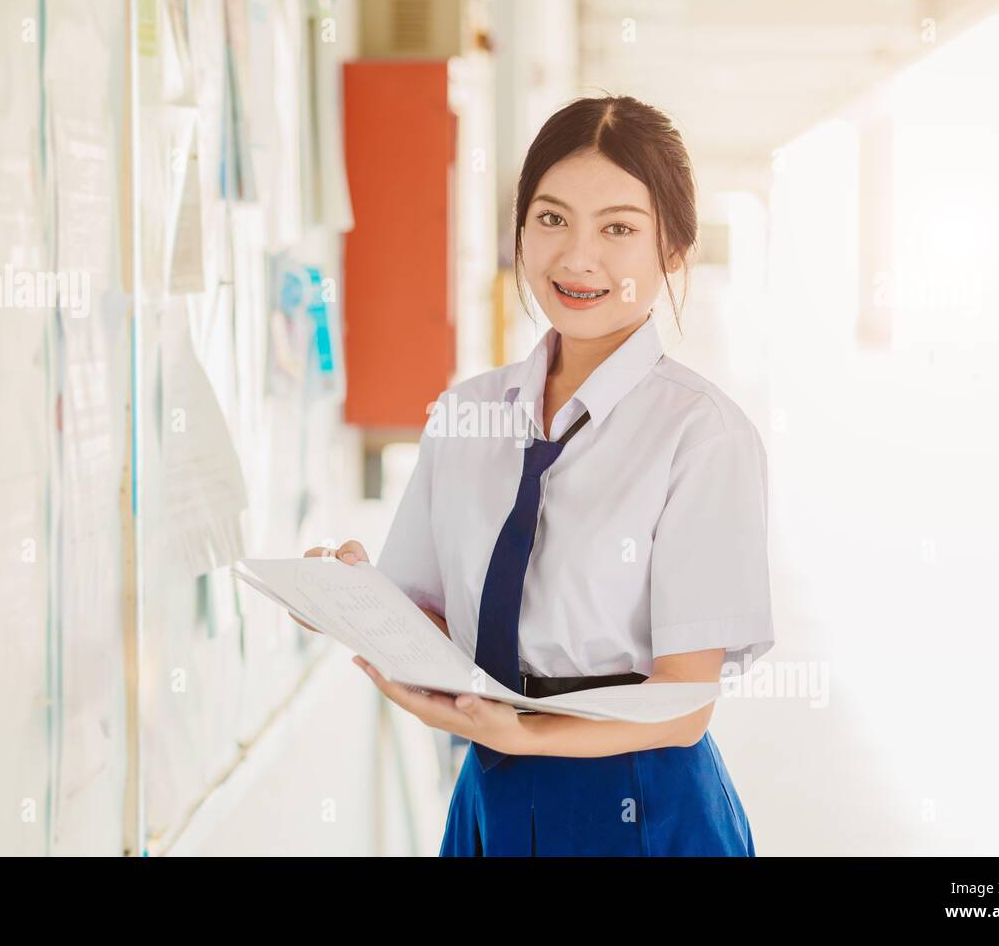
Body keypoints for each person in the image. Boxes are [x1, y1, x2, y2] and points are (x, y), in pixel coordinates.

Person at [299, 95, 774, 856]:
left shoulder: (700, 434)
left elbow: (684, 704)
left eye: (618, 228)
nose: (578, 257)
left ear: (674, 250)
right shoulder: (466, 414)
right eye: (551, 219)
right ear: (519, 231)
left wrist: (526, 731)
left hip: (638, 804)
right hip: (490, 793)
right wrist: (355, 604)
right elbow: (439, 625)